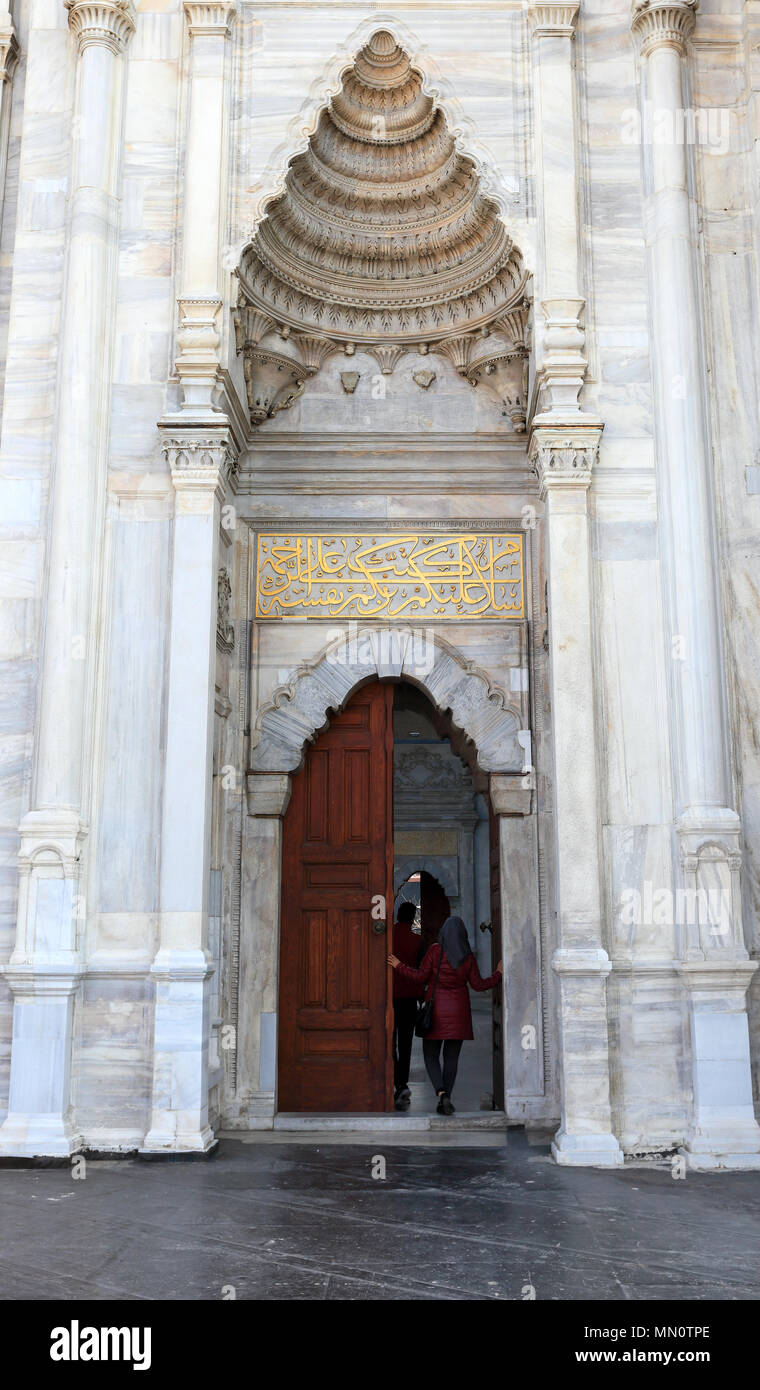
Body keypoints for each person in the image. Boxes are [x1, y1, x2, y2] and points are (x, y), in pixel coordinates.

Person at [388, 914, 502, 1115]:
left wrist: (398, 965)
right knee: (451, 1058)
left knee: (431, 1055)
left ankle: (441, 1093)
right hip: (459, 1014)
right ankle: (446, 1096)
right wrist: (498, 974)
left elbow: (420, 976)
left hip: (436, 1012)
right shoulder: (467, 957)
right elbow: (479, 985)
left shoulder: (435, 951)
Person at [391, 900, 422, 1110]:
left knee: (389, 1043)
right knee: (405, 1044)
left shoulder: (388, 937)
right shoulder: (418, 941)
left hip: (389, 997)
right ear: (412, 919)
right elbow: (421, 971)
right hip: (410, 998)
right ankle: (402, 1084)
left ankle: (394, 1081)